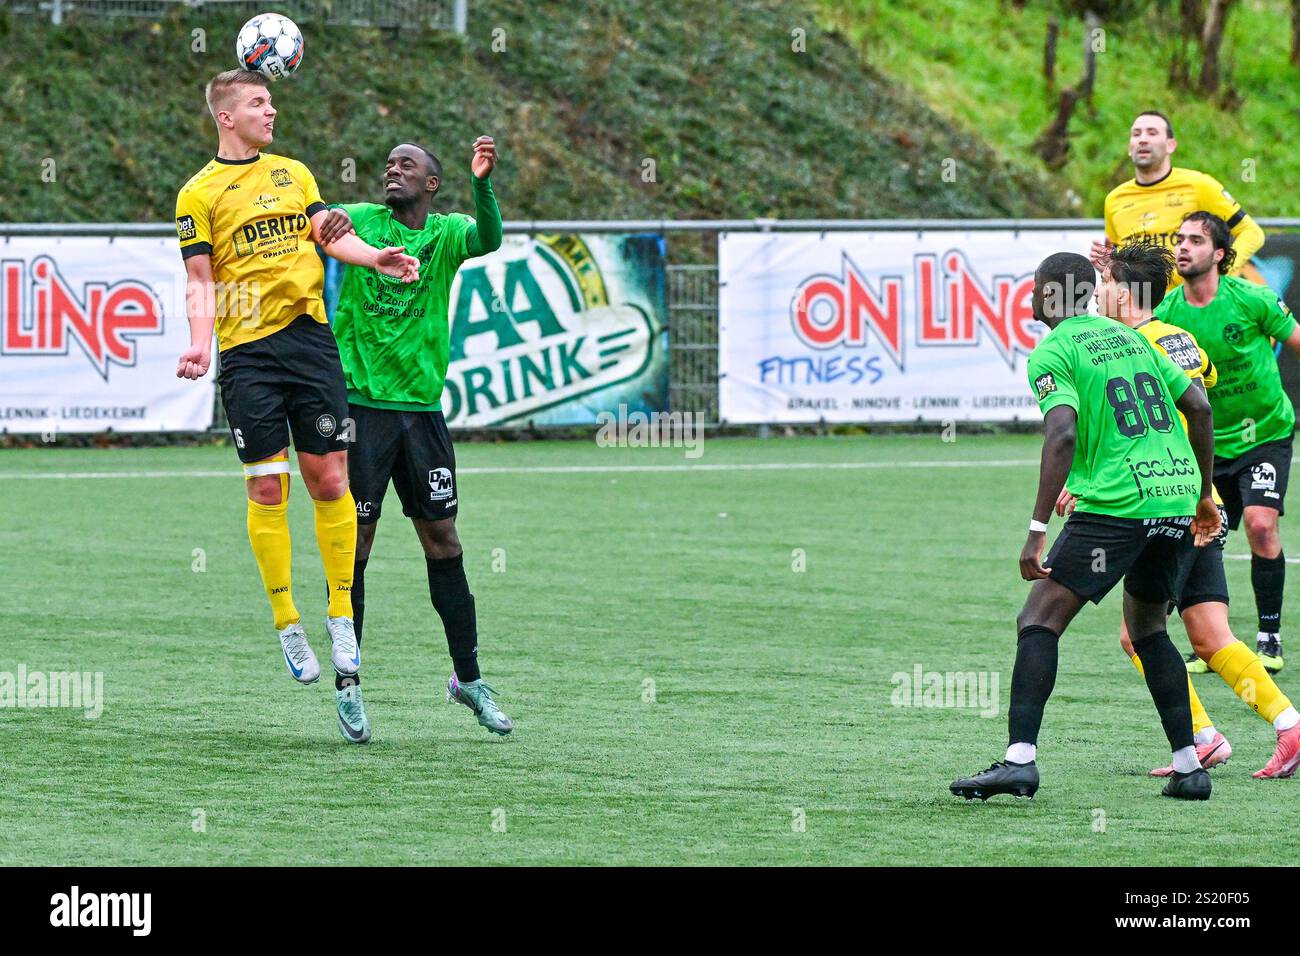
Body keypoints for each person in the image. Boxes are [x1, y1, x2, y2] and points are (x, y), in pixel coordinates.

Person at [175, 69, 418, 742]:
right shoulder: (197, 194)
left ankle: (341, 616)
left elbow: (327, 234)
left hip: (310, 344)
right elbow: (199, 278)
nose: (270, 110)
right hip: (248, 356)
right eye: (259, 102)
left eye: (270, 100)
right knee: (266, 489)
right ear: (228, 117)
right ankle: (288, 622)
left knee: (332, 479)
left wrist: (376, 258)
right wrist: (201, 344)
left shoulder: (294, 174)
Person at [950, 252, 1220, 802]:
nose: (1028, 297)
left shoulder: (1055, 349)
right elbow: (1200, 406)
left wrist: (1035, 529)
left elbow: (1063, 436)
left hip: (1119, 504)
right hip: (1170, 498)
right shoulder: (1133, 339)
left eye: (1034, 288)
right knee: (1148, 630)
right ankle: (1190, 766)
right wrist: (1201, 497)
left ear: (1050, 294)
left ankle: (1019, 761)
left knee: (1038, 620)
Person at [1058, 240, 1300, 779]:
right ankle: (1264, 729)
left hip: (1170, 504)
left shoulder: (1136, 345)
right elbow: (1169, 417)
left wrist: (1196, 497)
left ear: (1126, 289)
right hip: (1189, 498)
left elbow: (1175, 418)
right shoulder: (1171, 337)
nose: (1095, 293)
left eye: (1104, 283)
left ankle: (1213, 734)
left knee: (1141, 633)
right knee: (1209, 634)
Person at [314, 137, 511, 739]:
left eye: (409, 166)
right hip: (361, 409)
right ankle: (349, 685)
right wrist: (322, 219)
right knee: (357, 545)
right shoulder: (363, 222)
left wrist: (482, 183)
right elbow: (314, 220)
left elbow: (491, 238)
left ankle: (468, 678)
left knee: (444, 541)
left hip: (422, 413)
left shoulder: (449, 233)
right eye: (389, 163)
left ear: (431, 185)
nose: (392, 170)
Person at [1155, 211, 1300, 673]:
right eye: (1179, 239)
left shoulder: (1252, 299)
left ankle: (1269, 638)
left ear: (1219, 254)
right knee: (1202, 536)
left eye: (1195, 240)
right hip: (1206, 445)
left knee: (1260, 526)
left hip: (1265, 435)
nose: (1182, 247)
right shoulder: (1167, 314)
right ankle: (1210, 645)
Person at [1090, 110, 1265, 284]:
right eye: (1136, 134)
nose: (1142, 139)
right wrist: (1108, 265)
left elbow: (1252, 233)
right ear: (1129, 148)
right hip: (1140, 309)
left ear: (1170, 145)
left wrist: (1222, 271)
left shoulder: (1199, 185)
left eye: (1152, 133)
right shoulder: (1114, 199)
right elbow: (1119, 260)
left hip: (1192, 306)